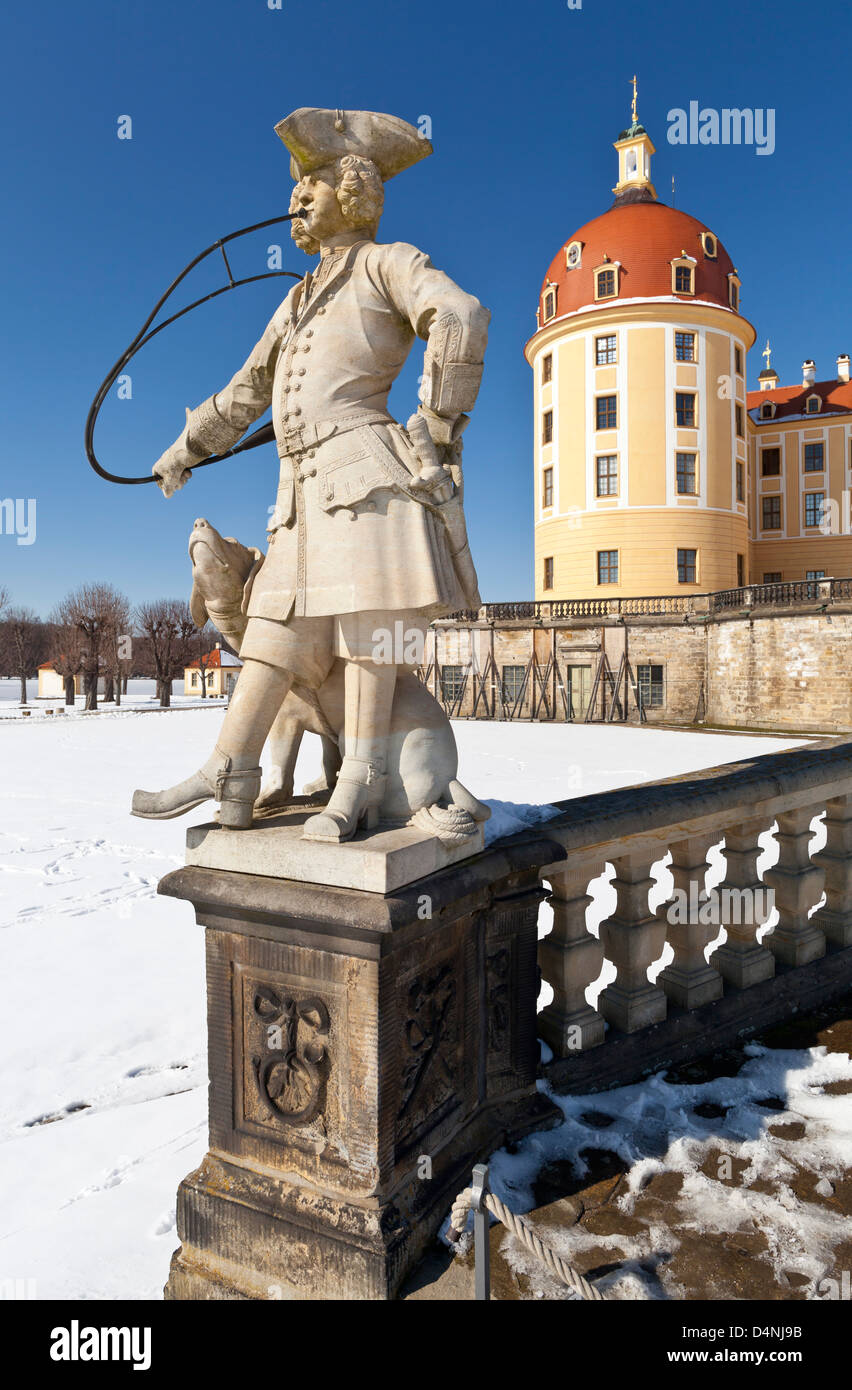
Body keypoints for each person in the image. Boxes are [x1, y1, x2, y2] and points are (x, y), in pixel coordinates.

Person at [131, 108, 489, 842]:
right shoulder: (295, 298)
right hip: (299, 493)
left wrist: (442, 424)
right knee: (270, 628)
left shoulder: (388, 262)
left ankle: (355, 780)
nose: (298, 197)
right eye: (296, 188)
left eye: (315, 183)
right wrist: (184, 448)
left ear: (353, 192)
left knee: (368, 638)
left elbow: (460, 316)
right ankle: (230, 768)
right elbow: (246, 388)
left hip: (367, 475)